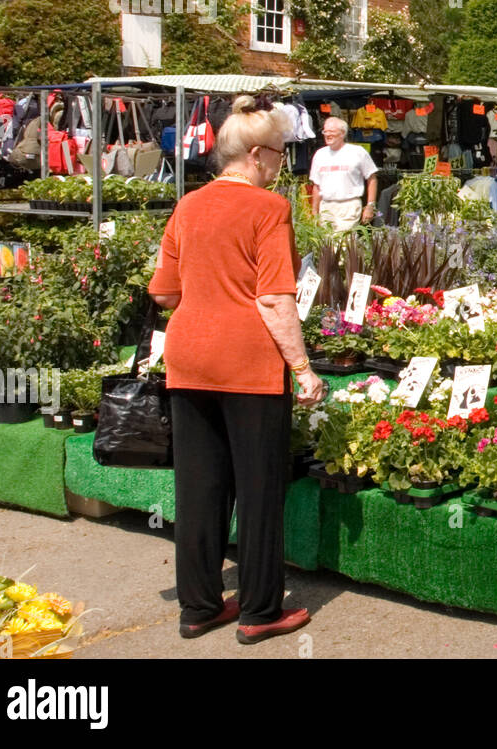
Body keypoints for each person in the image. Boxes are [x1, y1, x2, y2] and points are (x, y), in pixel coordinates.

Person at [149, 95, 325, 645]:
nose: (282, 165)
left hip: (188, 356)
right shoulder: (268, 210)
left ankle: (199, 606)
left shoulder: (187, 206)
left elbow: (163, 294)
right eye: (279, 154)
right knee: (259, 488)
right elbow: (275, 299)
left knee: (198, 488)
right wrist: (302, 368)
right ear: (254, 154)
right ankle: (260, 609)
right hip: (248, 364)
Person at [309, 117, 378, 231]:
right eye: (325, 131)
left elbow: (372, 178)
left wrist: (370, 206)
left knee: (343, 243)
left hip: (349, 206)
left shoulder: (357, 152)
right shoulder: (320, 155)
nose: (327, 135)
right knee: (327, 244)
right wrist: (314, 210)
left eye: (331, 131)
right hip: (326, 206)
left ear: (342, 133)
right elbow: (316, 186)